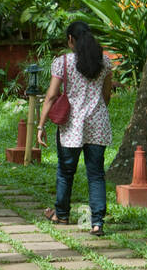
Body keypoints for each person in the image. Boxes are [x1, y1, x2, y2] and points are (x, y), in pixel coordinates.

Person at [36, 20, 114, 236]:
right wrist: (95, 110)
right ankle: (96, 223)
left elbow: (51, 96)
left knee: (65, 171)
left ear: (71, 39)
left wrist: (41, 126)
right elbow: (106, 96)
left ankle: (61, 214)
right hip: (98, 125)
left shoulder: (63, 62)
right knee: (96, 174)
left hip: (71, 126)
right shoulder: (104, 62)